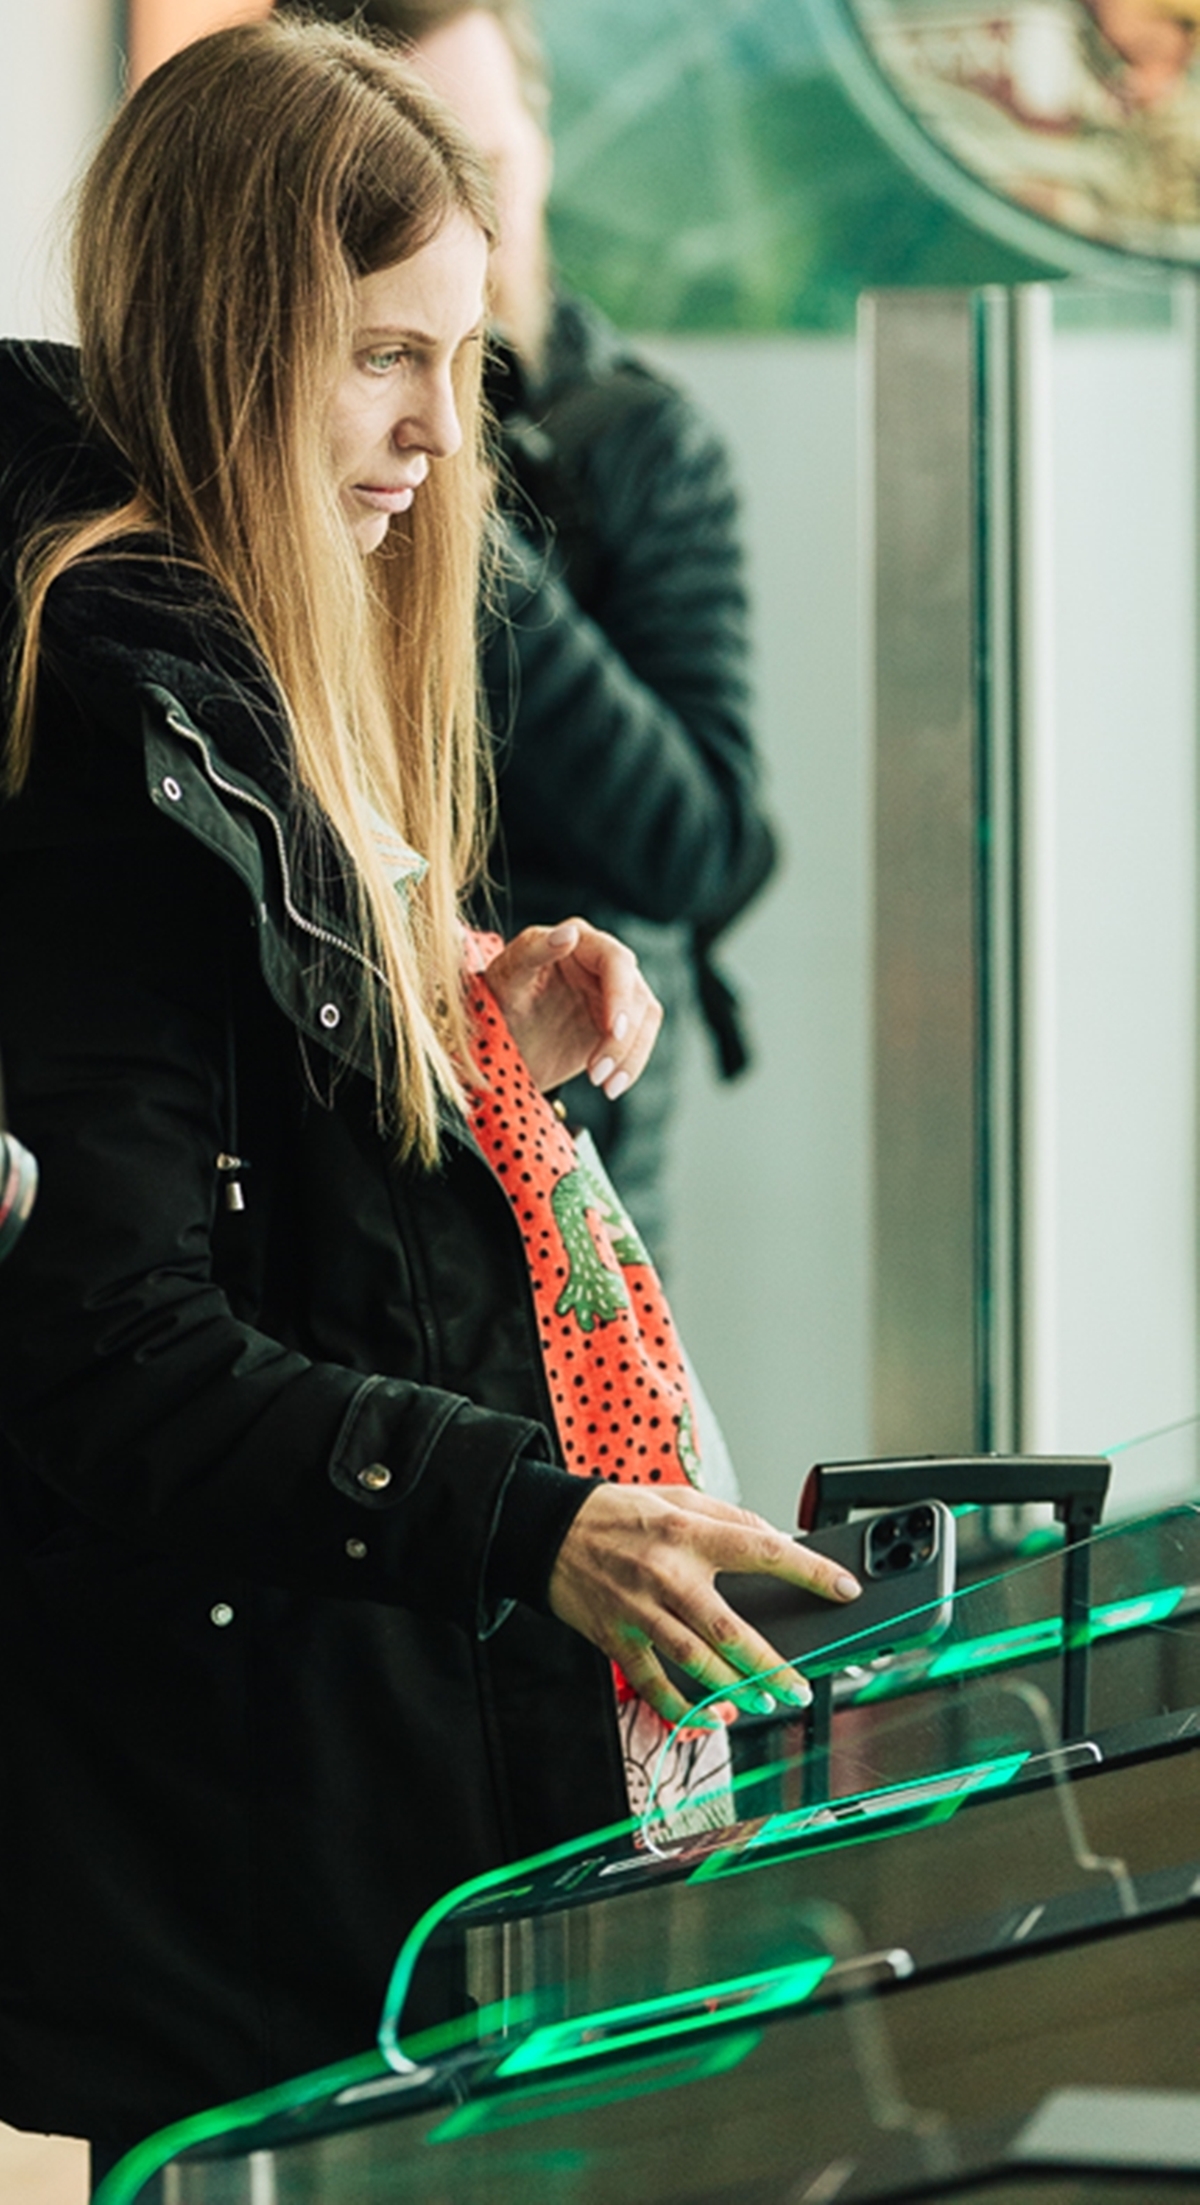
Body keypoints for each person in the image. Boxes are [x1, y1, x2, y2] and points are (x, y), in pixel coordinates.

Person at [0, 17, 857, 2169]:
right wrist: (531, 1518)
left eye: (462, 364)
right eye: (385, 358)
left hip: (314, 1794)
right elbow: (116, 1343)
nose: (435, 438)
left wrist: (455, 1027)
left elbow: (260, 1165)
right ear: (229, 330)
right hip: (223, 1833)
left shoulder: (267, 671)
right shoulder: (118, 737)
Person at [280, 0, 780, 1272]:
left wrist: (466, 542)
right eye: (395, 206)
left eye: (485, 174)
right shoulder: (252, 481)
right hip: (312, 1123)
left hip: (571, 1147)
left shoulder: (640, 449)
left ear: (541, 148)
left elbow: (708, 844)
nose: (464, 235)